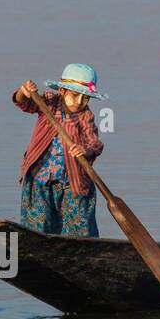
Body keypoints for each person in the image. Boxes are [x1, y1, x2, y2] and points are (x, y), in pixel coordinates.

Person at [12, 63, 106, 237]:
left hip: (73, 181)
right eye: (75, 95)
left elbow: (95, 144)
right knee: (38, 227)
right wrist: (23, 92)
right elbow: (24, 104)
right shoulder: (48, 103)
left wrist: (84, 150)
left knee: (80, 229)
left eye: (85, 98)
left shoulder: (86, 117)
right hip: (40, 179)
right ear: (62, 91)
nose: (79, 102)